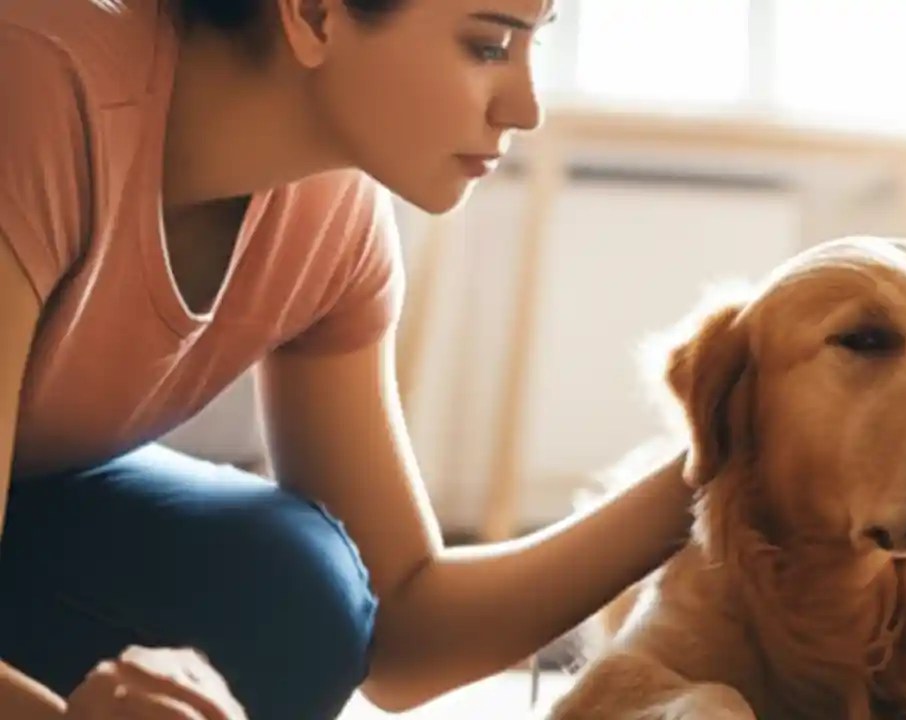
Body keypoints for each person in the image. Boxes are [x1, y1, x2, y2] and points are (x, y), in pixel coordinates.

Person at [0, 0, 701, 717]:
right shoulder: (36, 86)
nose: (526, 110)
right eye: (489, 46)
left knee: (296, 594)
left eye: (534, 48)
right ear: (312, 14)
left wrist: (711, 466)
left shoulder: (333, 214)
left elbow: (399, 634)